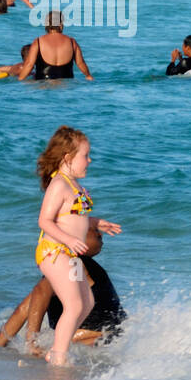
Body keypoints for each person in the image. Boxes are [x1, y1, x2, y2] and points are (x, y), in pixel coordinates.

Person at [32, 126, 122, 366]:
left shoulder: (75, 186)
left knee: (87, 303)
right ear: (68, 158)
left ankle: (58, 347)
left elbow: (75, 217)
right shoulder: (58, 185)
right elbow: (45, 221)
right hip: (54, 252)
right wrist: (69, 239)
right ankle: (58, 356)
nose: (89, 160)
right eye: (85, 155)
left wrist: (97, 222)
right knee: (73, 304)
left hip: (69, 254)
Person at [0, 221, 125, 353]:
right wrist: (32, 343)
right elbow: (39, 292)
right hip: (103, 338)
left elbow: (24, 308)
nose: (100, 233)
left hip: (98, 337)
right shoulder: (76, 263)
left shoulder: (70, 267)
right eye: (94, 230)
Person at [18, 11, 94, 81]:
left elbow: (29, 64)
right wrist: (88, 75)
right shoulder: (72, 42)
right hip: (66, 84)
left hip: (44, 83)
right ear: (61, 25)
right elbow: (80, 63)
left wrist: (20, 79)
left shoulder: (38, 42)